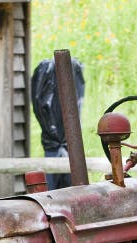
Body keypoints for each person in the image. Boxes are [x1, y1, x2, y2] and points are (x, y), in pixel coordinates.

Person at [31, 57, 85, 190]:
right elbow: (42, 106)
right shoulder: (46, 71)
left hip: (60, 146)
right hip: (55, 147)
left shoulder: (70, 69)